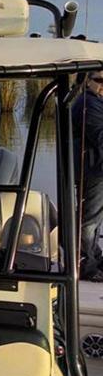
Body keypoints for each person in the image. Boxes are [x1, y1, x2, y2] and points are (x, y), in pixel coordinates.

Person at [72, 70, 103, 281]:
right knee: (89, 220)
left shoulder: (97, 102)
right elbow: (100, 136)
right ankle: (86, 267)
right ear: (87, 81)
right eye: (99, 79)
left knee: (95, 218)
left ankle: (95, 258)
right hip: (91, 171)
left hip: (97, 168)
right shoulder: (87, 104)